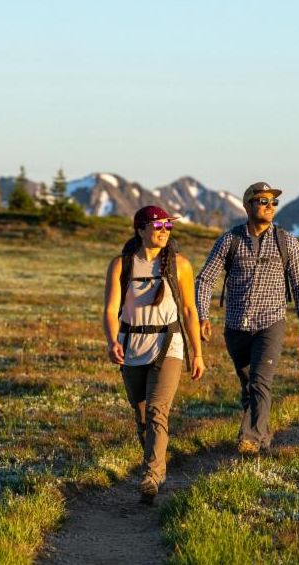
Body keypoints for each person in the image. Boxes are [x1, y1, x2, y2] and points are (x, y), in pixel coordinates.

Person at [196, 181, 299, 455]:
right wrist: (203, 315)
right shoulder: (230, 240)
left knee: (261, 381)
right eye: (263, 201)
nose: (270, 206)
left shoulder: (288, 243)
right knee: (249, 385)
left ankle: (249, 439)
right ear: (247, 205)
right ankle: (261, 438)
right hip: (236, 325)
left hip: (271, 323)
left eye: (274, 202)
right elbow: (205, 280)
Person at [103, 205, 205, 504]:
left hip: (168, 345)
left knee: (158, 411)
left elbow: (189, 310)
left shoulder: (180, 264)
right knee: (143, 415)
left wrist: (196, 353)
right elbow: (111, 310)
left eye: (168, 227)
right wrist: (112, 342)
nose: (164, 231)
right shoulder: (122, 265)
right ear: (140, 229)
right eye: (158, 226)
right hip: (131, 345)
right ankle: (156, 468)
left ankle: (150, 475)